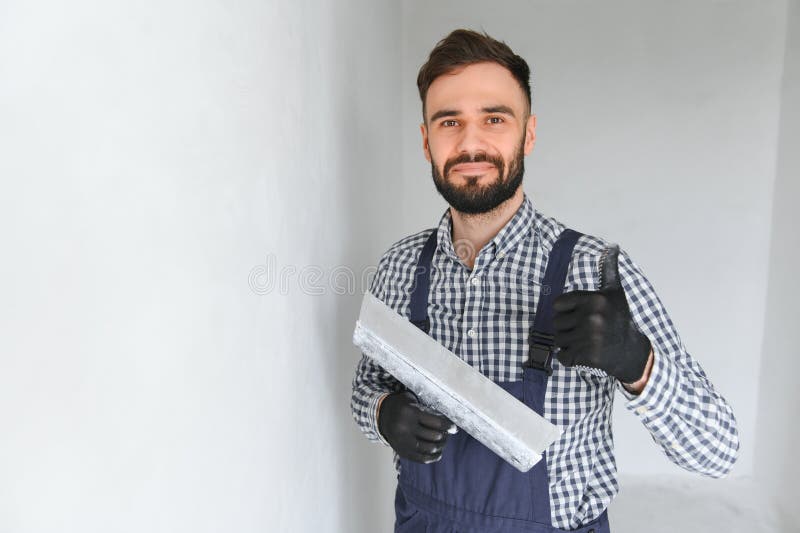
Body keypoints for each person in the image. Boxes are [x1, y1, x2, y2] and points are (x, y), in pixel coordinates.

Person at [350, 29, 739, 533]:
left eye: (494, 118)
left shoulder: (593, 272)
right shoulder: (400, 267)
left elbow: (718, 450)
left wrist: (638, 364)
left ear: (528, 134)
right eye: (450, 122)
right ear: (426, 140)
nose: (470, 143)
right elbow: (366, 387)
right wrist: (382, 414)